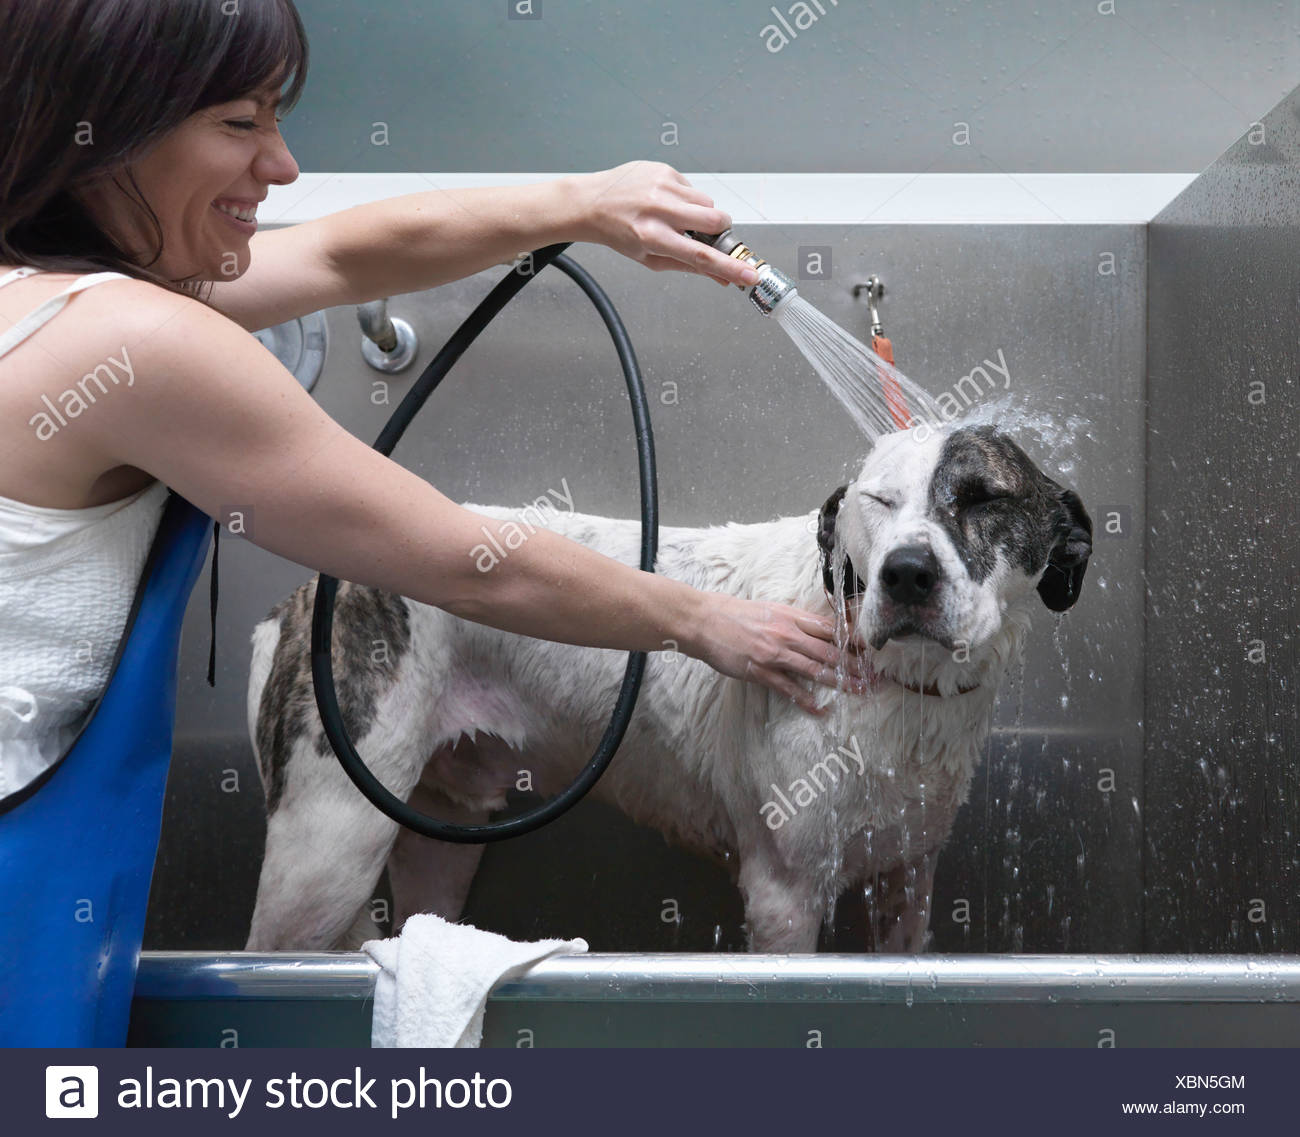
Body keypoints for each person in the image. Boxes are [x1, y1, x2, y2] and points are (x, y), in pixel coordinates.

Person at [0, 0, 870, 808]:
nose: (283, 164)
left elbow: (342, 257)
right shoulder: (134, 339)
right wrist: (704, 618)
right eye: (241, 122)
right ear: (108, 130)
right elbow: (465, 562)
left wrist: (590, 203)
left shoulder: (63, 298)